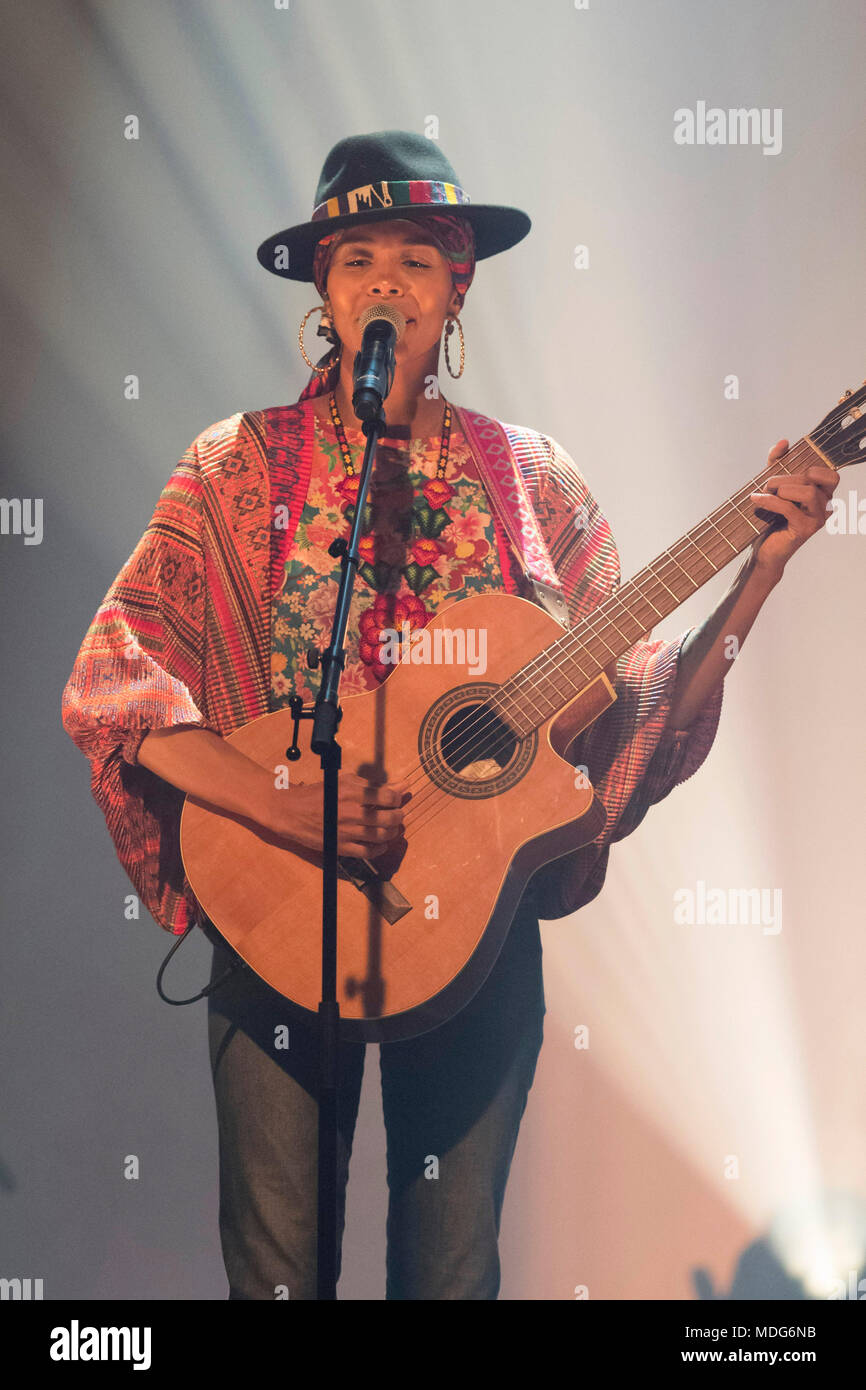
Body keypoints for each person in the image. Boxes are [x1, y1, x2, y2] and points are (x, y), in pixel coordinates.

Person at [61, 131, 838, 1300]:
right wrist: (285, 797)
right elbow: (117, 684)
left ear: (458, 282)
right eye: (355, 256)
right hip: (276, 917)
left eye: (414, 258)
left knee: (452, 1279)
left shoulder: (532, 482)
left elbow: (636, 715)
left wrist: (756, 576)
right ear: (321, 292)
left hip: (469, 937)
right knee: (275, 1280)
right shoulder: (240, 465)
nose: (383, 281)